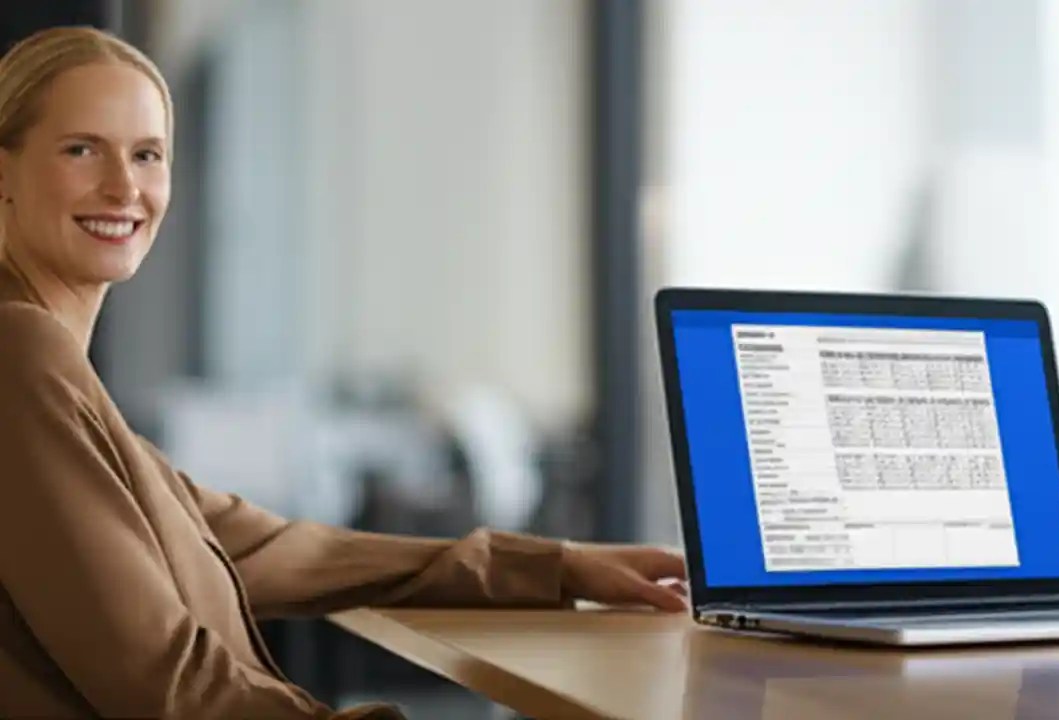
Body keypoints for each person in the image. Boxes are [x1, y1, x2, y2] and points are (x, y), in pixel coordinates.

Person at [0, 26, 686, 720]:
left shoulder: (46, 356)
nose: (124, 187)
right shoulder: (21, 350)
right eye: (81, 150)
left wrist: (558, 566)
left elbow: (270, 550)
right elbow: (163, 683)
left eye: (147, 154)